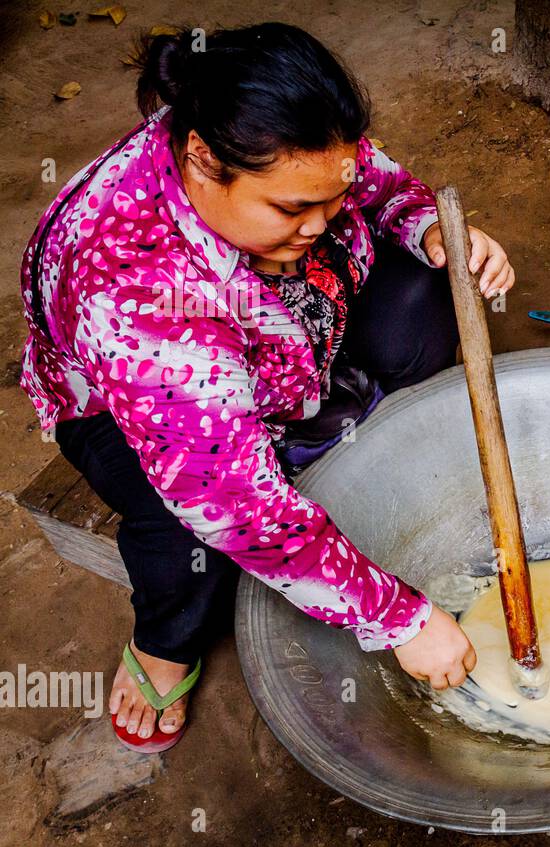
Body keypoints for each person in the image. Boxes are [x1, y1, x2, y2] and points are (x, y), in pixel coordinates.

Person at [19, 23, 509, 752]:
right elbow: (235, 507)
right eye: (288, 211)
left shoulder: (284, 145)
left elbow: (375, 183)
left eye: (328, 203)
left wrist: (426, 229)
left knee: (426, 294)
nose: (318, 223)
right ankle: (162, 646)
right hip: (128, 412)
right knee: (185, 533)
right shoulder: (134, 290)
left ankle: (360, 440)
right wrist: (400, 620)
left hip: (291, 344)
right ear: (202, 161)